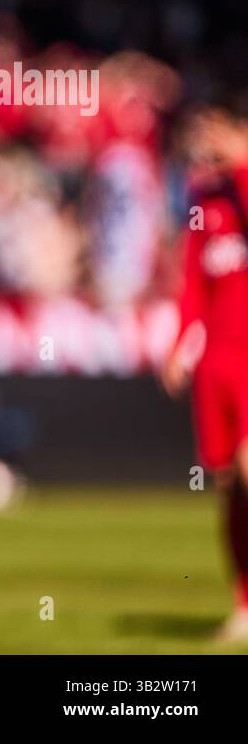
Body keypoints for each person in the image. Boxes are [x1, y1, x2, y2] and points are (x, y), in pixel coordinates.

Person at [162, 103, 248, 644]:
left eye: (218, 127)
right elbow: (196, 280)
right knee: (229, 490)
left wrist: (240, 167)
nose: (207, 139)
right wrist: (180, 344)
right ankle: (244, 603)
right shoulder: (204, 199)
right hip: (216, 359)